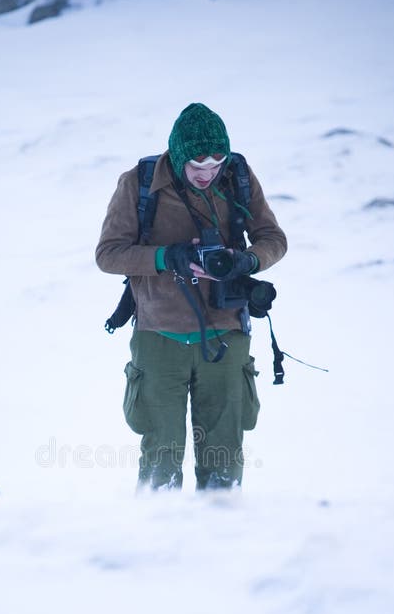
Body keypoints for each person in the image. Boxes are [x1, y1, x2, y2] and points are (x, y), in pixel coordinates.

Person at [96, 103, 287, 491]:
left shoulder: (238, 178)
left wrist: (246, 259)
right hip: (159, 336)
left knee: (224, 455)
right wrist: (168, 257)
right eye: (198, 167)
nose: (208, 174)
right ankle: (156, 537)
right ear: (180, 156)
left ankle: (221, 532)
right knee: (160, 458)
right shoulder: (138, 183)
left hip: (226, 331)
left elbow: (274, 239)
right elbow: (108, 255)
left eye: (216, 165)